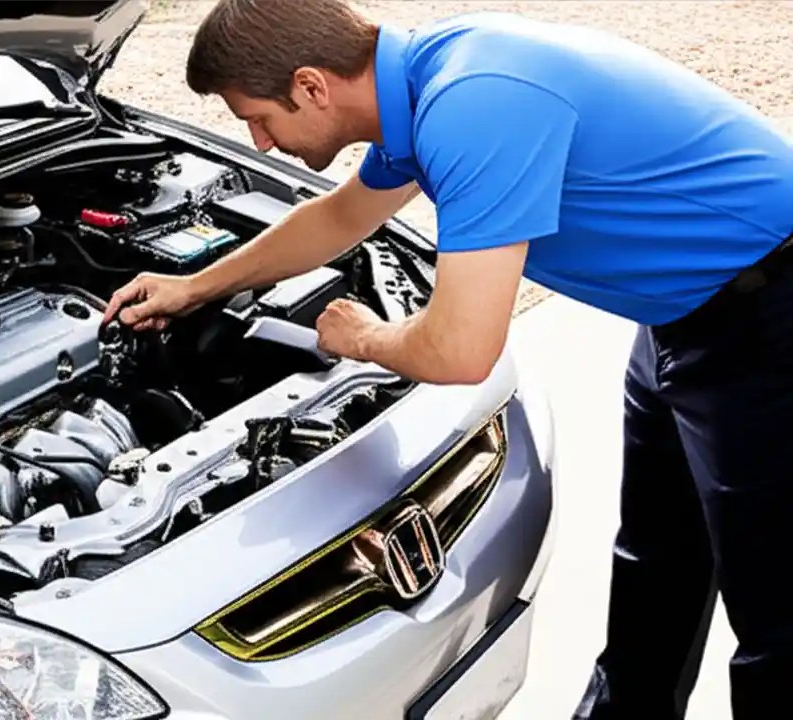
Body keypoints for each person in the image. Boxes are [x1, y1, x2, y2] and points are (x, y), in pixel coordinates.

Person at [101, 1, 793, 717]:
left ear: (311, 86)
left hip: (770, 319)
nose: (260, 144)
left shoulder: (473, 105)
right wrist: (191, 288)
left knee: (777, 608)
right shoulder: (423, 81)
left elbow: (461, 349)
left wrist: (361, 338)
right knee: (658, 560)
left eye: (259, 118)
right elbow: (338, 218)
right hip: (688, 314)